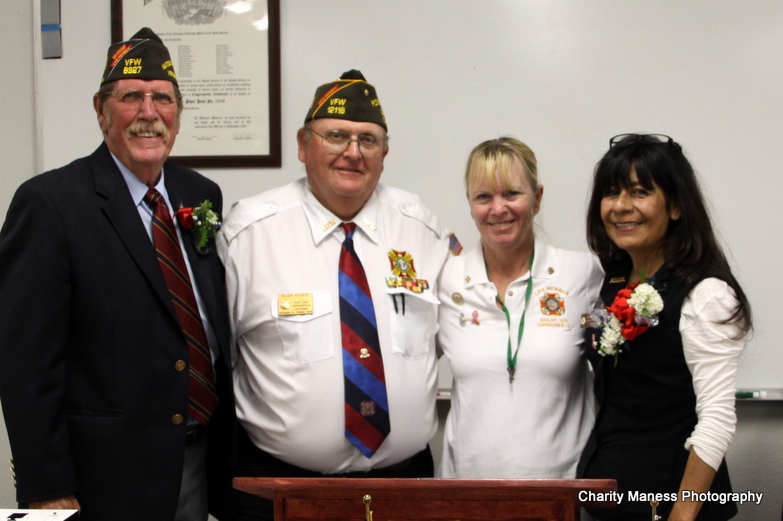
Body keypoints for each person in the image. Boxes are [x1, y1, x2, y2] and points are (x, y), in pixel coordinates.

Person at [0, 28, 235, 521]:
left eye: (162, 98)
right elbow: (27, 363)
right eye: (131, 98)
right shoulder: (50, 204)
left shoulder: (200, 194)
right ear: (101, 112)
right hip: (102, 478)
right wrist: (46, 486)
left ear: (178, 115)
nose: (149, 113)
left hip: (199, 460)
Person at [217, 70, 458, 520]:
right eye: (336, 136)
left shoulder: (421, 229)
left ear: (385, 154)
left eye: (368, 140)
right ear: (303, 145)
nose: (353, 152)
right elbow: (218, 358)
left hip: (405, 488)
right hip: (279, 491)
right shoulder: (249, 234)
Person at [577, 134, 752, 521]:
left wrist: (682, 516)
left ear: (675, 206)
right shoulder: (614, 279)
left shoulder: (706, 294)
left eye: (640, 192)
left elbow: (717, 419)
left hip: (668, 508)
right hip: (607, 497)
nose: (621, 207)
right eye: (610, 193)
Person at [437, 137, 603, 478]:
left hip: (562, 493)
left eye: (512, 194)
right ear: (470, 205)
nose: (498, 209)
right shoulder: (445, 279)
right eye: (483, 196)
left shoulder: (583, 274)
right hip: (465, 493)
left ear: (537, 198)